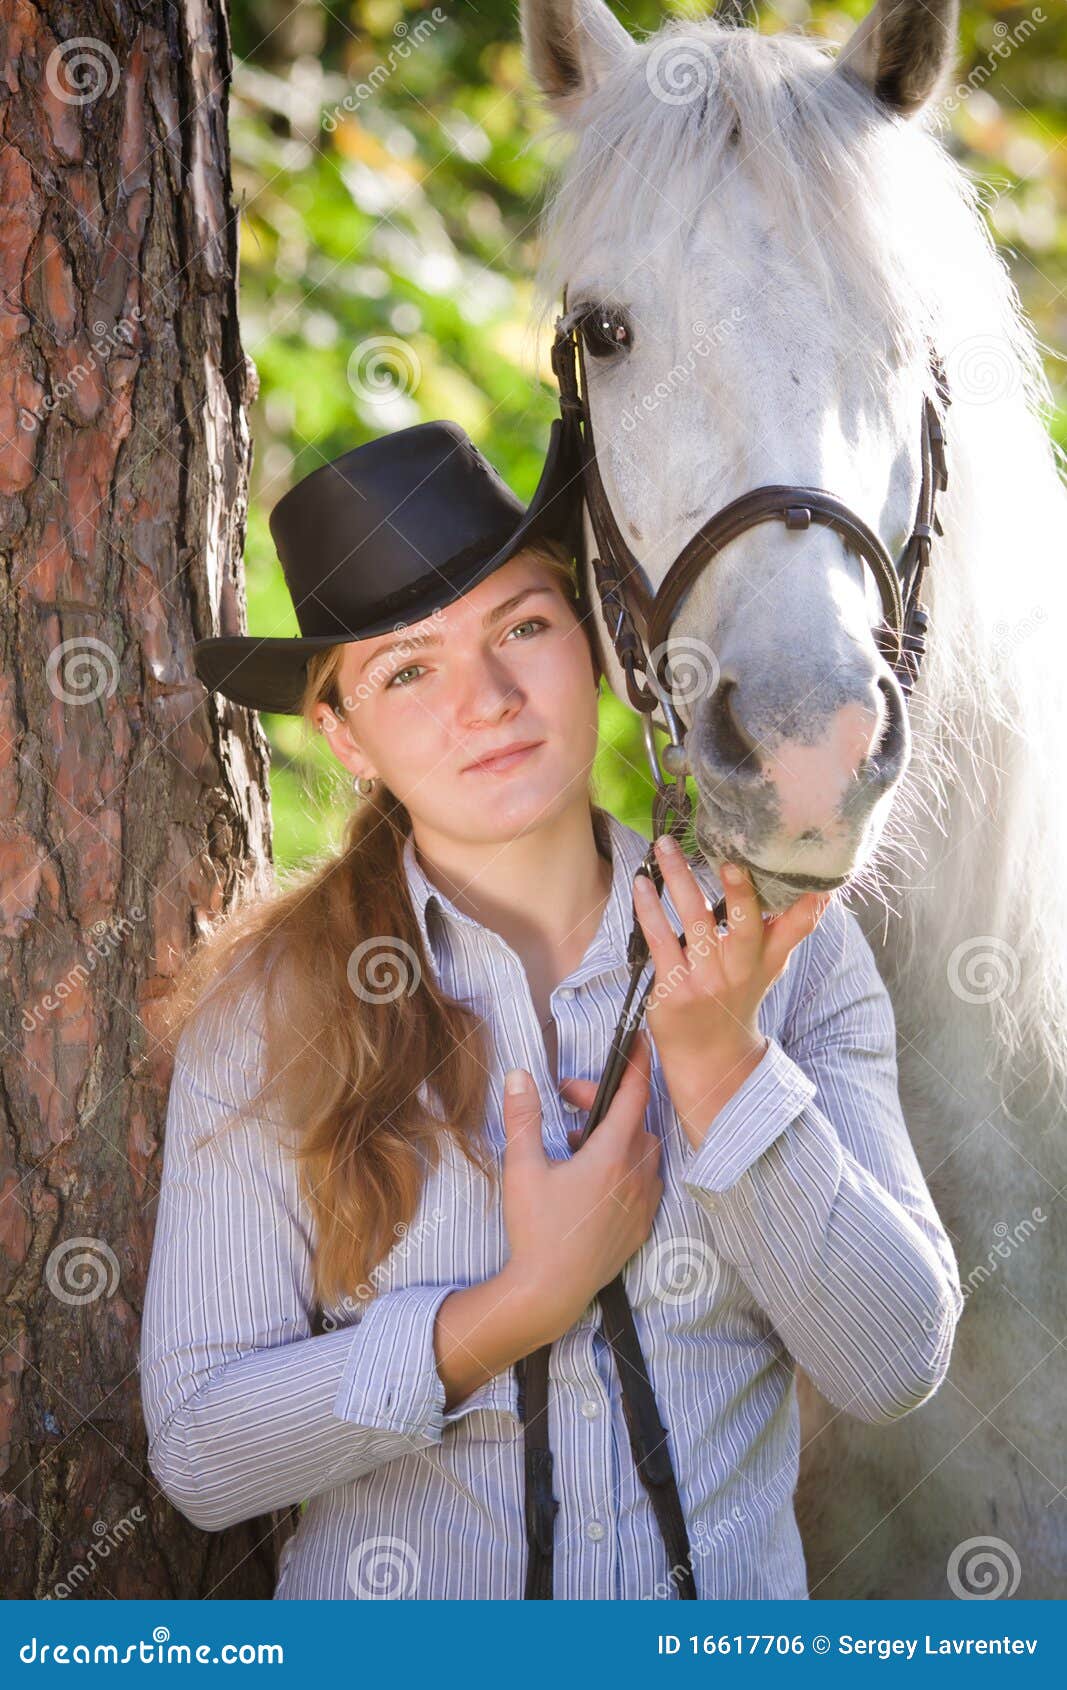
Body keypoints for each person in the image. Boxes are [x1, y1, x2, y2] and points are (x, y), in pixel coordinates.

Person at [139, 419, 963, 1600]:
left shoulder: (789, 955)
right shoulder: (274, 1020)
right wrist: (510, 1309)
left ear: (591, 641)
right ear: (342, 733)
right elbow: (205, 1454)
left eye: (522, 624)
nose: (485, 699)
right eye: (406, 668)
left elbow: (891, 1364)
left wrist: (725, 1073)